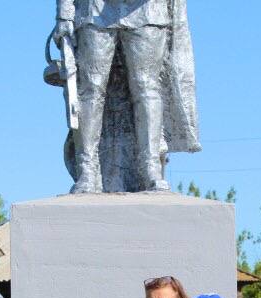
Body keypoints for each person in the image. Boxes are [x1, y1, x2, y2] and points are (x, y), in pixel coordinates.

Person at [53, 0, 200, 193]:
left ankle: (151, 169)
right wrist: (64, 13)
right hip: (93, 9)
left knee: (147, 88)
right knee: (91, 89)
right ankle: (87, 171)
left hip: (148, 10)